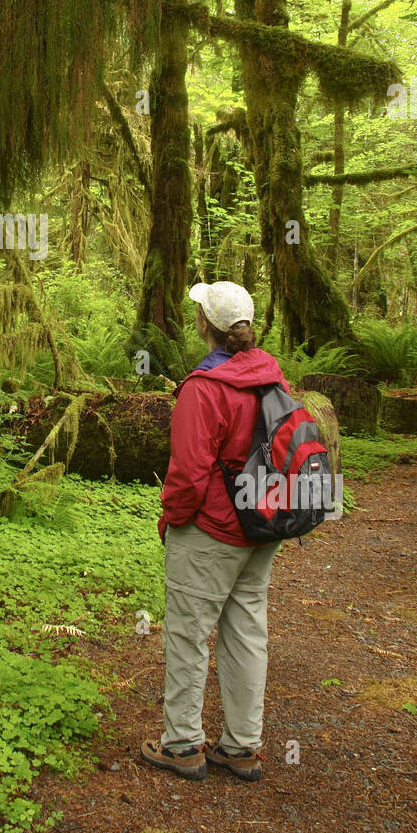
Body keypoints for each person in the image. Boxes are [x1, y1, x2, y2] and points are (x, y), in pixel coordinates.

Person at [140, 281, 291, 783]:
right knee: (247, 633)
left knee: (187, 634)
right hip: (262, 525)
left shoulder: (204, 387)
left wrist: (173, 519)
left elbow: (187, 473)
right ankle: (242, 747)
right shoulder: (271, 377)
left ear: (205, 324)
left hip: (211, 530)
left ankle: (182, 746)